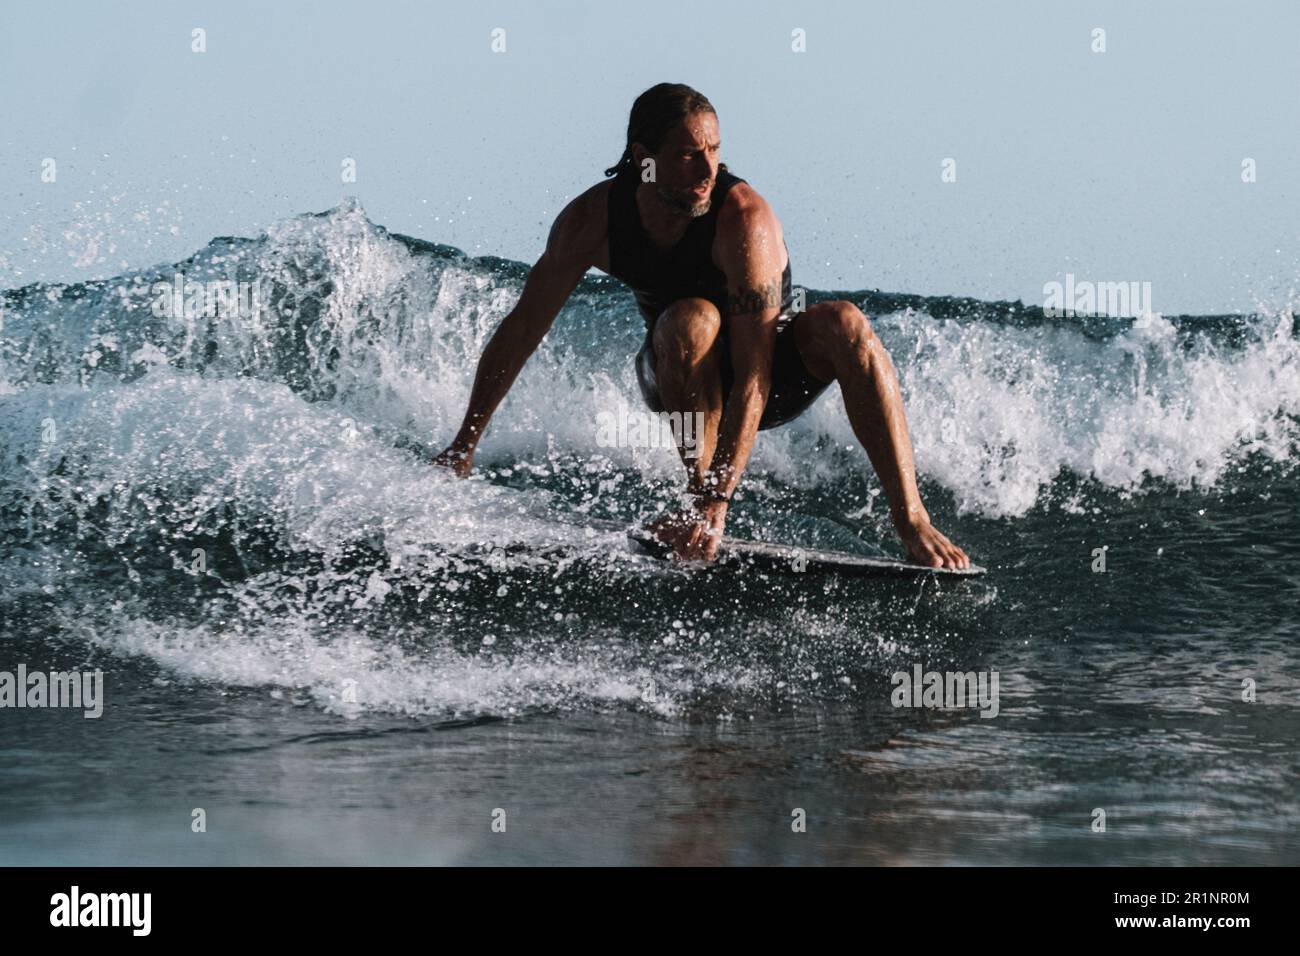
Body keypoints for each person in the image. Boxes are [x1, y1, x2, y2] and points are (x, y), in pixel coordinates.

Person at [435, 83, 969, 569]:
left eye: (714, 151)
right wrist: (464, 445)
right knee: (692, 320)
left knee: (845, 322)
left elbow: (756, 372)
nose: (707, 169)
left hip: (769, 377)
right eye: (690, 155)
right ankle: (696, 507)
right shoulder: (593, 220)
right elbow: (523, 329)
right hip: (675, 370)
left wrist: (721, 499)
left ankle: (912, 521)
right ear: (645, 161)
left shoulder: (743, 219)